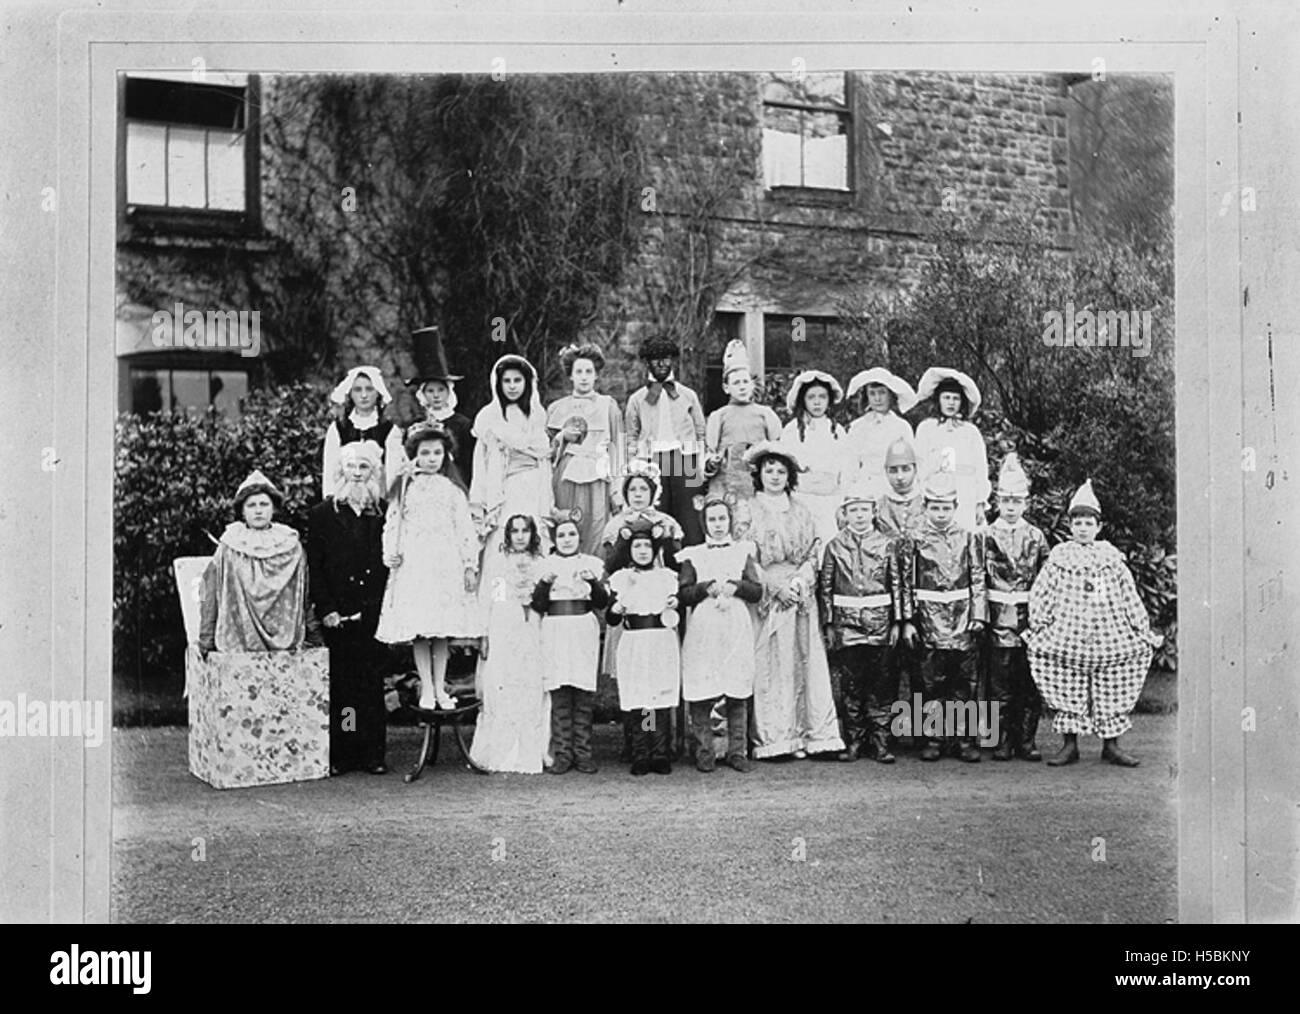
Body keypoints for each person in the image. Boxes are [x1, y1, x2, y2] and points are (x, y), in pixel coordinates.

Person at [1025, 479, 1161, 768]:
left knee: (1111, 682)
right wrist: (1040, 622)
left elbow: (1129, 595)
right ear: (1070, 526)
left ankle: (1111, 746)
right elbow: (1041, 591)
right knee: (1068, 681)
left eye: (1089, 523)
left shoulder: (1111, 560)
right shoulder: (1060, 558)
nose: (1083, 528)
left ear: (1098, 527)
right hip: (1067, 632)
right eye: (1078, 523)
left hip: (1107, 632)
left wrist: (1140, 627)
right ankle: (1069, 745)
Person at [743, 442, 846, 760]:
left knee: (803, 662)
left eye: (781, 471)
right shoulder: (747, 508)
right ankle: (776, 737)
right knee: (773, 665)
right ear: (759, 474)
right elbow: (745, 556)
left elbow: (814, 550)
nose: (774, 476)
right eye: (769, 470)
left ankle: (810, 734)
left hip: (799, 593)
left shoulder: (802, 510)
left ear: (790, 476)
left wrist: (800, 581)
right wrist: (775, 587)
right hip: (768, 594)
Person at [375, 423, 482, 711]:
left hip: (445, 562)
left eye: (437, 452)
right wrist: (391, 553)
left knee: (441, 631)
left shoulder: (452, 490)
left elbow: (464, 528)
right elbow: (393, 522)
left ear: (445, 455)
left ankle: (440, 686)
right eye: (425, 453)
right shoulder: (406, 487)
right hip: (416, 562)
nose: (432, 458)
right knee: (421, 630)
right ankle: (426, 687)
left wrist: (470, 565)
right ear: (415, 456)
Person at [306, 443, 390, 776]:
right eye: (352, 467)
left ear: (373, 473)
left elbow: (388, 568)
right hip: (337, 615)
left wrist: (377, 609)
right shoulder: (322, 515)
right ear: (342, 471)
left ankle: (373, 753)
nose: (357, 473)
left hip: (370, 614)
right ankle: (345, 750)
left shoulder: (383, 513)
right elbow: (317, 566)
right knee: (343, 689)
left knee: (370, 686)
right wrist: (326, 608)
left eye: (364, 468)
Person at [898, 471, 987, 762]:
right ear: (925, 508)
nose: (940, 514)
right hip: (928, 619)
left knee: (964, 682)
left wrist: (978, 614)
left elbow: (977, 577)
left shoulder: (968, 537)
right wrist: (908, 621)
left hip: (962, 618)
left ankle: (963, 740)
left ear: (955, 508)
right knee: (929, 681)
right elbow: (907, 581)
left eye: (946, 508)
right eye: (935, 508)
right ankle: (933, 739)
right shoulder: (915, 539)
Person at [818, 477, 907, 764]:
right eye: (853, 510)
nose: (858, 515)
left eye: (863, 509)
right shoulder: (834, 546)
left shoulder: (887, 544)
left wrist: (898, 621)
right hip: (847, 626)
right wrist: (829, 624)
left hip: (880, 623)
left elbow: (897, 584)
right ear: (844, 513)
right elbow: (826, 587)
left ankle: (881, 742)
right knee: (851, 687)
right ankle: (854, 741)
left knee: (881, 686)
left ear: (873, 512)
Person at [675, 494, 762, 773]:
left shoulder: (743, 551)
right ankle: (704, 750)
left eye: (722, 518)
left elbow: (757, 591)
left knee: (736, 688)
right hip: (705, 627)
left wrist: (738, 586)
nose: (718, 525)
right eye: (712, 520)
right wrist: (704, 588)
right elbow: (683, 593)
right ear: (704, 524)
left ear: (730, 521)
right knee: (702, 688)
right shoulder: (693, 554)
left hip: (735, 625)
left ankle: (738, 751)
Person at [981, 453, 1051, 761]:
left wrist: (1044, 619)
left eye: (1017, 501)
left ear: (1026, 503)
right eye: (1006, 500)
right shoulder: (985, 536)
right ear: (997, 500)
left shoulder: (1036, 537)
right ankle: (1001, 740)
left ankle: (1026, 739)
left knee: (1028, 683)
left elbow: (1048, 580)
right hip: (996, 619)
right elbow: (978, 579)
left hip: (1029, 621)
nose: (1011, 507)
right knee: (998, 685)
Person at [198, 469, 312, 656]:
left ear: (273, 508)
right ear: (242, 511)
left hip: (285, 640)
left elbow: (303, 592)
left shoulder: (291, 545)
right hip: (238, 640)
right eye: (251, 505)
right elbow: (210, 592)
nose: (258, 510)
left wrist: (313, 635)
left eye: (264, 504)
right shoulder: (229, 546)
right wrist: (206, 638)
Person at [531, 509, 608, 775]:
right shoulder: (544, 565)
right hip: (555, 628)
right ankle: (563, 754)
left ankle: (583, 753)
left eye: (571, 534)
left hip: (582, 627)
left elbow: (602, 603)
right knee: (560, 692)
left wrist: (594, 583)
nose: (567, 539)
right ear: (554, 539)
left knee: (583, 693)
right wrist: (543, 584)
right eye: (561, 535)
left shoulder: (592, 563)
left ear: (580, 537)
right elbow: (538, 605)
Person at [470, 514, 548, 774]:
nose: (520, 536)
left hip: (534, 627)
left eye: (525, 530)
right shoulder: (498, 563)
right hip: (504, 626)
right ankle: (501, 753)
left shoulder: (542, 563)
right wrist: (485, 634)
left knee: (531, 684)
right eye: (514, 531)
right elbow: (491, 600)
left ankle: (532, 752)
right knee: (502, 684)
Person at [606, 518, 682, 775]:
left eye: (647, 546)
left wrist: (673, 602)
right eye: (637, 546)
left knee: (657, 696)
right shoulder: (623, 578)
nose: (642, 551)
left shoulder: (666, 577)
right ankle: (641, 752)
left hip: (660, 640)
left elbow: (677, 592)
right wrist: (615, 609)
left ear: (655, 550)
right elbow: (612, 618)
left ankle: (660, 752)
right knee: (640, 698)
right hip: (635, 641)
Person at [623, 333, 708, 546]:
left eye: (666, 357)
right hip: (652, 461)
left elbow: (700, 432)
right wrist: (634, 466)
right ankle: (663, 568)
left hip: (685, 459)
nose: (661, 363)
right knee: (658, 515)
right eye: (655, 358)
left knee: (690, 515)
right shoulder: (637, 399)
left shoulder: (688, 395)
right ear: (647, 362)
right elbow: (631, 436)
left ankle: (691, 567)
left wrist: (700, 464)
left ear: (673, 361)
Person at [471, 354, 555, 566]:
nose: (512, 386)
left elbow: (544, 457)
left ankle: (532, 595)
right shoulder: (489, 417)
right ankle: (501, 597)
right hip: (504, 489)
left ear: (527, 382)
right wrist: (481, 501)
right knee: (504, 539)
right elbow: (481, 464)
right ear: (498, 384)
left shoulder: (537, 415)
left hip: (534, 488)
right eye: (506, 381)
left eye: (517, 380)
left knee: (531, 537)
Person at [546, 342, 626, 555]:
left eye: (588, 371)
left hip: (598, 474)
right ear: (570, 375)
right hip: (566, 474)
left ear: (596, 375)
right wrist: (563, 437)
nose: (583, 377)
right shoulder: (556, 408)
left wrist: (618, 489)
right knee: (567, 525)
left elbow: (618, 449)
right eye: (578, 371)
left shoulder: (608, 405)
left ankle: (594, 579)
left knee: (597, 529)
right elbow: (546, 453)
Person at [703, 339, 782, 535]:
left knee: (757, 528)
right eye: (736, 383)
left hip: (756, 483)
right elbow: (710, 451)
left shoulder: (765, 414)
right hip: (726, 483)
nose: (742, 386)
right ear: (726, 388)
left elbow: (776, 448)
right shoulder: (719, 416)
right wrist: (712, 462)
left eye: (746, 382)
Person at [913, 366, 991, 532]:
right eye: (946, 397)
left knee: (964, 539)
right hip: (936, 495)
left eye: (955, 399)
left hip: (965, 493)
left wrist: (980, 503)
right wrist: (921, 499)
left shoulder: (970, 432)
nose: (950, 402)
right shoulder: (927, 428)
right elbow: (919, 466)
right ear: (938, 400)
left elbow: (980, 469)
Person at [780, 369, 850, 552]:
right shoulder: (791, 431)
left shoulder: (837, 431)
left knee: (829, 547)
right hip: (801, 499)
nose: (817, 402)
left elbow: (847, 468)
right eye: (811, 397)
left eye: (822, 397)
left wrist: (843, 502)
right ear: (803, 399)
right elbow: (785, 467)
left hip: (830, 501)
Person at [406, 325, 475, 488]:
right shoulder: (416, 425)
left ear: (449, 392)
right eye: (430, 390)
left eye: (441, 390)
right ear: (423, 394)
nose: (436, 395)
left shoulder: (463, 425)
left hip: (456, 485)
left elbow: (469, 462)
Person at [321, 366, 404, 498]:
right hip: (344, 499)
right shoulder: (338, 428)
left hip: (377, 501)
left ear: (378, 393)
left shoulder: (389, 430)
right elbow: (330, 470)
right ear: (350, 394)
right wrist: (330, 498)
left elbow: (392, 474)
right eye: (358, 390)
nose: (364, 395)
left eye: (369, 389)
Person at [845, 367, 917, 483]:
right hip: (864, 486)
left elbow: (910, 463)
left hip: (894, 485)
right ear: (867, 397)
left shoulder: (902, 427)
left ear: (890, 394)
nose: (877, 399)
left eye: (882, 393)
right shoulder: (858, 427)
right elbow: (850, 464)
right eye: (872, 394)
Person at [876, 436, 926, 539]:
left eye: (906, 469)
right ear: (886, 472)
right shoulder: (878, 507)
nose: (900, 477)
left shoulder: (926, 504)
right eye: (893, 471)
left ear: (915, 469)